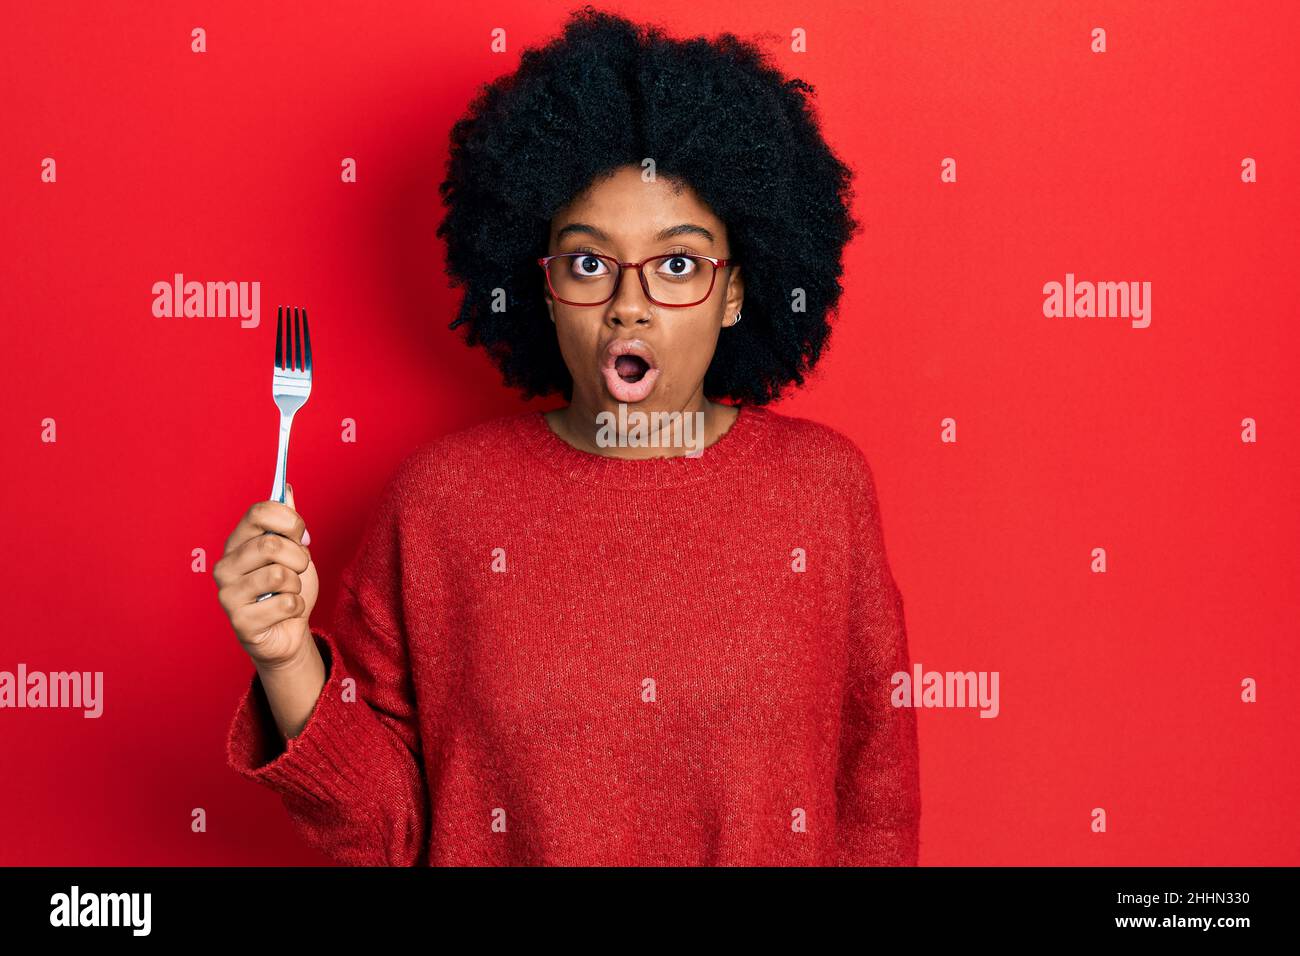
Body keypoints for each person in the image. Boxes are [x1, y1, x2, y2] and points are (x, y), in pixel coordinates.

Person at [214, 5, 919, 866]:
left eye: (677, 264)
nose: (629, 303)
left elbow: (874, 811)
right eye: (588, 262)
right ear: (542, 288)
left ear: (739, 291)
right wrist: (287, 660)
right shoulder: (443, 502)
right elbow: (385, 835)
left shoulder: (823, 492)